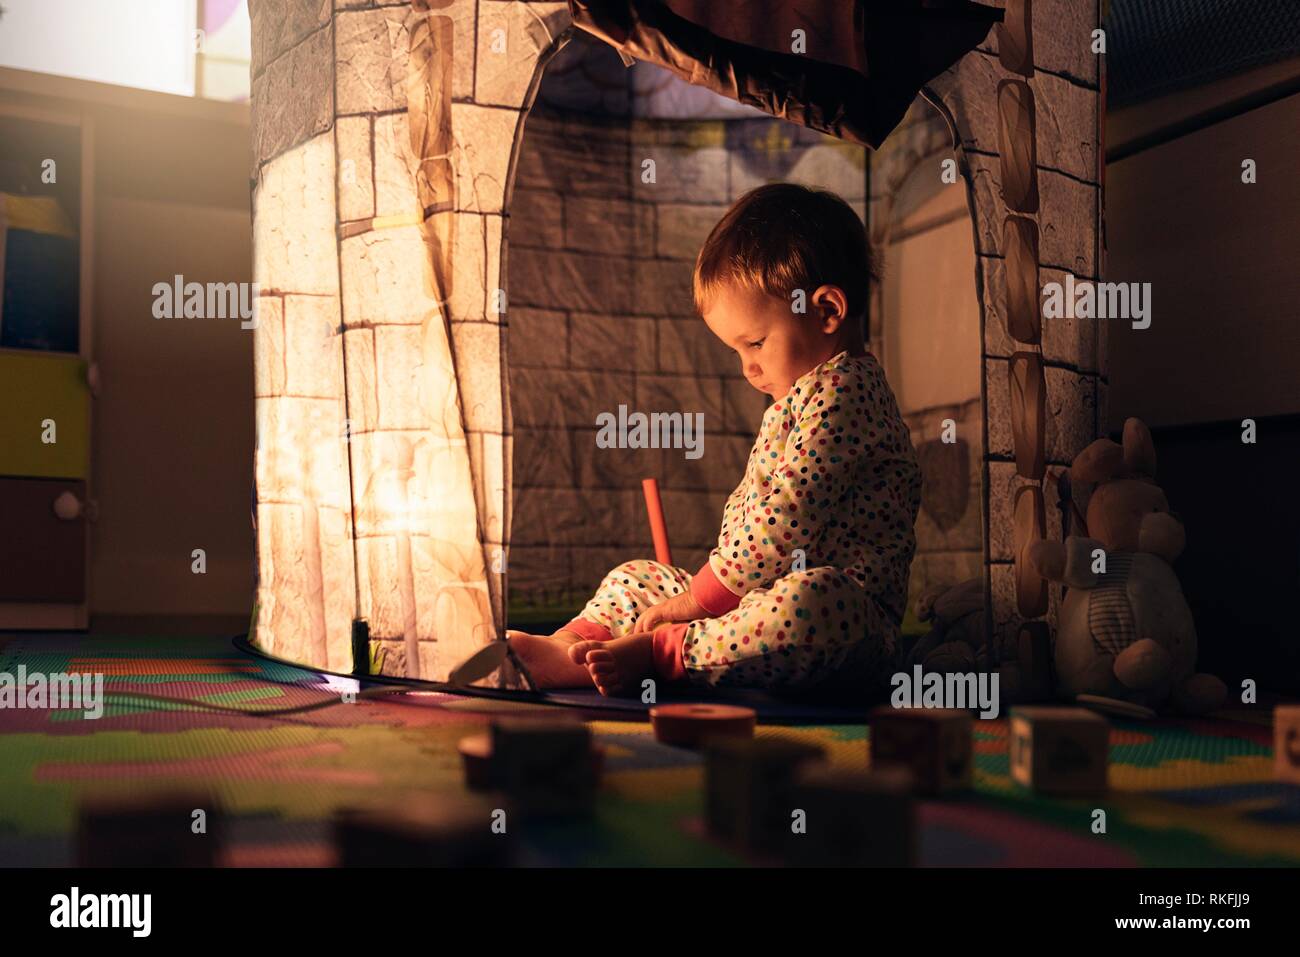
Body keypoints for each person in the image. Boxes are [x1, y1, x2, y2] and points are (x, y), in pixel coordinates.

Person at [508, 183, 922, 699]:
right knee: (641, 577)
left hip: (845, 617)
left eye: (755, 343)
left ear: (827, 312)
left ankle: (665, 654)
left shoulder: (845, 397)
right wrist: (691, 595)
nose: (747, 367)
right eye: (737, 350)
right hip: (750, 596)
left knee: (808, 607)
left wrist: (693, 605)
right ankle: (573, 647)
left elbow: (784, 524)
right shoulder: (799, 397)